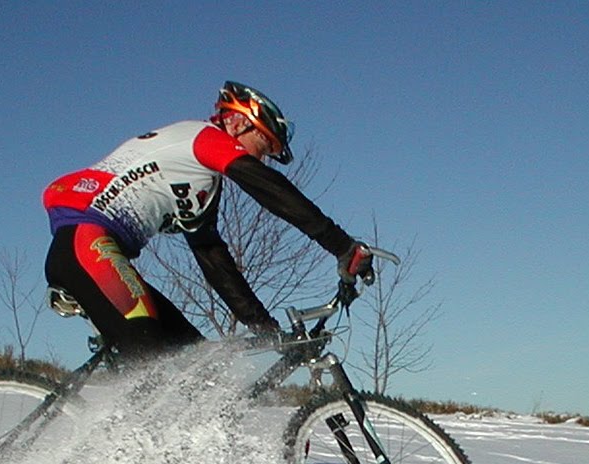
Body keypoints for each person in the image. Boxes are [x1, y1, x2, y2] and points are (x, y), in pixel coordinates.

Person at [43, 80, 374, 360]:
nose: (262, 158)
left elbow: (214, 260)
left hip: (97, 250)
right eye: (263, 143)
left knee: (195, 361)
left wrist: (264, 328)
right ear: (236, 122)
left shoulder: (201, 185)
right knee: (149, 362)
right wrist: (342, 245)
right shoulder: (203, 137)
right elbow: (270, 189)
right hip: (85, 239)